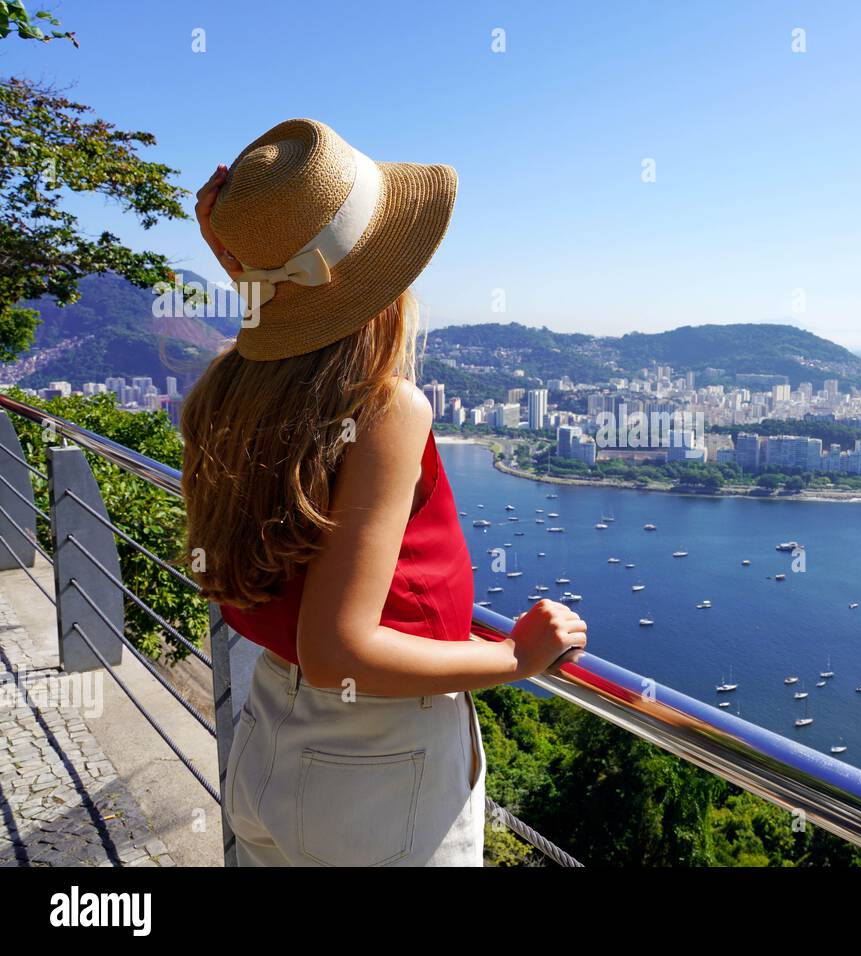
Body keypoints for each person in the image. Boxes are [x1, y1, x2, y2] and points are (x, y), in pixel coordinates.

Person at [180, 118, 587, 866]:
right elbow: (338, 651)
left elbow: (280, 341)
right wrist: (514, 659)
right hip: (378, 767)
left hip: (268, 731)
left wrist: (259, 272)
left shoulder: (228, 391)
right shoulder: (387, 408)